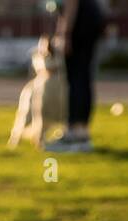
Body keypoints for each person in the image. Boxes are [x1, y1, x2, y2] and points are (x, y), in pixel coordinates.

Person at [47, 0, 106, 153]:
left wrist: (65, 33)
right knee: (82, 76)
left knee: (76, 78)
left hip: (80, 22)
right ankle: (81, 132)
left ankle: (75, 133)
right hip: (87, 19)